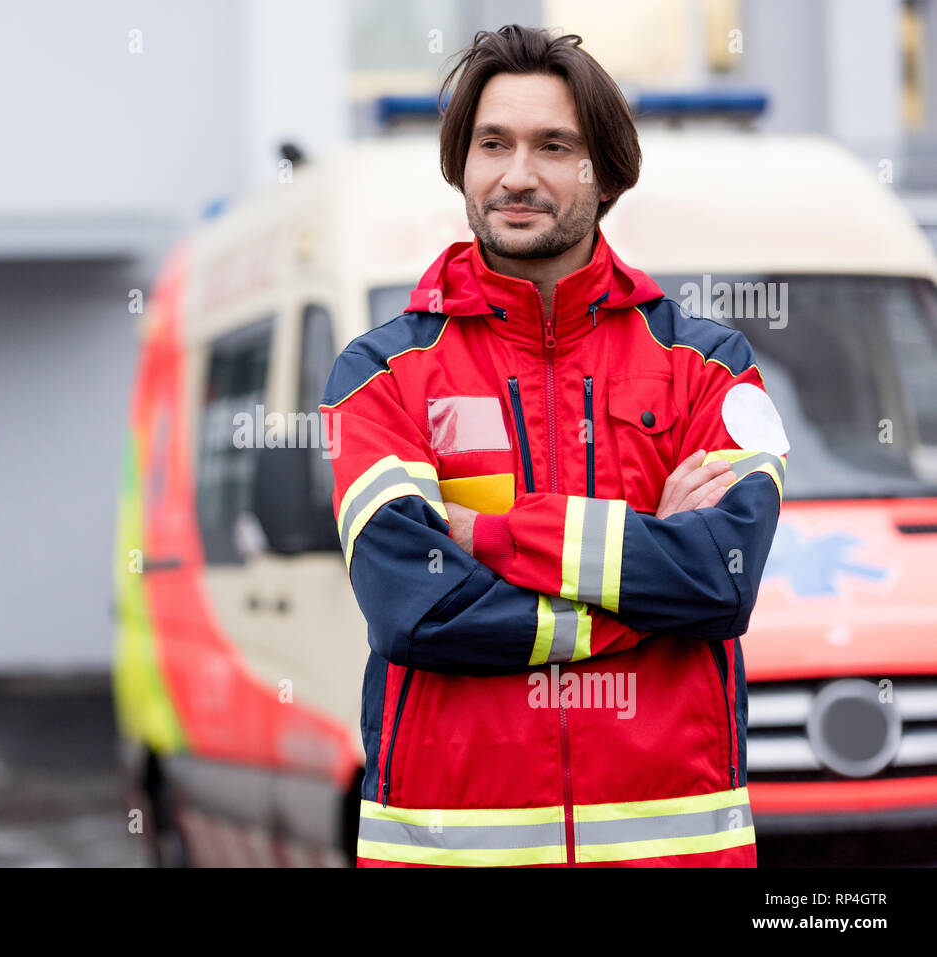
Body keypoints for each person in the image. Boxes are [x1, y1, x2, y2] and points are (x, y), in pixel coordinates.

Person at [318, 24, 787, 867]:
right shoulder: (378, 373)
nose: (518, 174)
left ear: (604, 172)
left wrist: (488, 536)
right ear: (462, 164)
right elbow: (416, 611)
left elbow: (721, 580)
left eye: (554, 145)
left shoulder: (712, 367)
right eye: (492, 144)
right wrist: (638, 604)